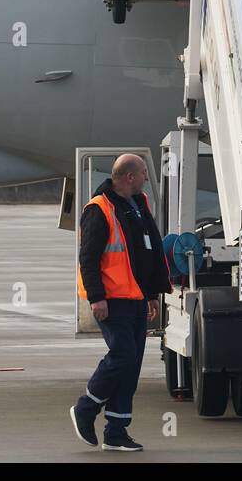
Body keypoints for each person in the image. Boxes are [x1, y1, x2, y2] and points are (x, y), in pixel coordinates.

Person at [70, 154, 172, 452]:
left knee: (132, 365)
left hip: (137, 299)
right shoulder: (99, 209)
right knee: (124, 355)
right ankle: (86, 407)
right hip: (112, 300)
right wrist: (96, 297)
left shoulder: (138, 206)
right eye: (142, 173)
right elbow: (88, 258)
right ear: (129, 177)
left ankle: (116, 431)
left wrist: (152, 294)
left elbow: (146, 254)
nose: (144, 178)